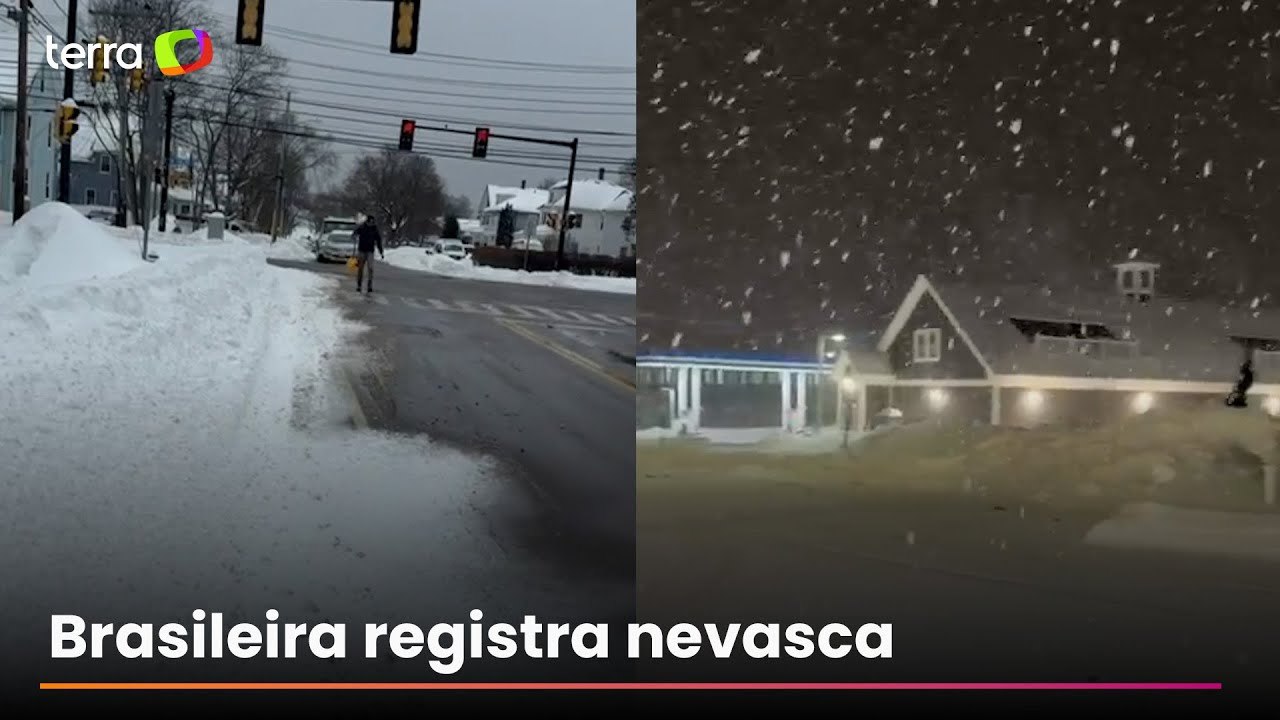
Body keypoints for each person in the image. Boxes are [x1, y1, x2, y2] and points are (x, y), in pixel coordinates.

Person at [353, 214, 384, 293]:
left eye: (372, 222)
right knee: (360, 268)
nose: (371, 223)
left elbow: (378, 240)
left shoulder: (374, 229)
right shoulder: (362, 227)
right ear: (367, 221)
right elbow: (354, 233)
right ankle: (359, 285)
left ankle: (369, 286)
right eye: (370, 222)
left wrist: (381, 251)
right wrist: (355, 234)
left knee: (370, 268)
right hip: (362, 250)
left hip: (370, 251)